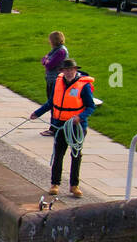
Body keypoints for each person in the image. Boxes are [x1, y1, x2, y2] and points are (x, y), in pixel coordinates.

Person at [29, 59, 95, 198]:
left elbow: (90, 106)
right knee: (58, 154)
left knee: (76, 155)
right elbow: (51, 102)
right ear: (62, 71)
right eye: (67, 70)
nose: (69, 72)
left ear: (75, 70)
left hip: (76, 126)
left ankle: (74, 185)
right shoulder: (58, 82)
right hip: (60, 125)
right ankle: (55, 184)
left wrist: (80, 117)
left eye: (72, 69)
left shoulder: (84, 86)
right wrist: (37, 113)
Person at [40, 31, 68, 136]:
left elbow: (49, 64)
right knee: (52, 103)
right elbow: (43, 60)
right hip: (50, 79)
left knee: (54, 104)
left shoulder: (61, 52)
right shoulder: (54, 51)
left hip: (56, 81)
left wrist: (46, 61)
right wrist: (46, 60)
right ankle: (54, 127)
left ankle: (54, 128)